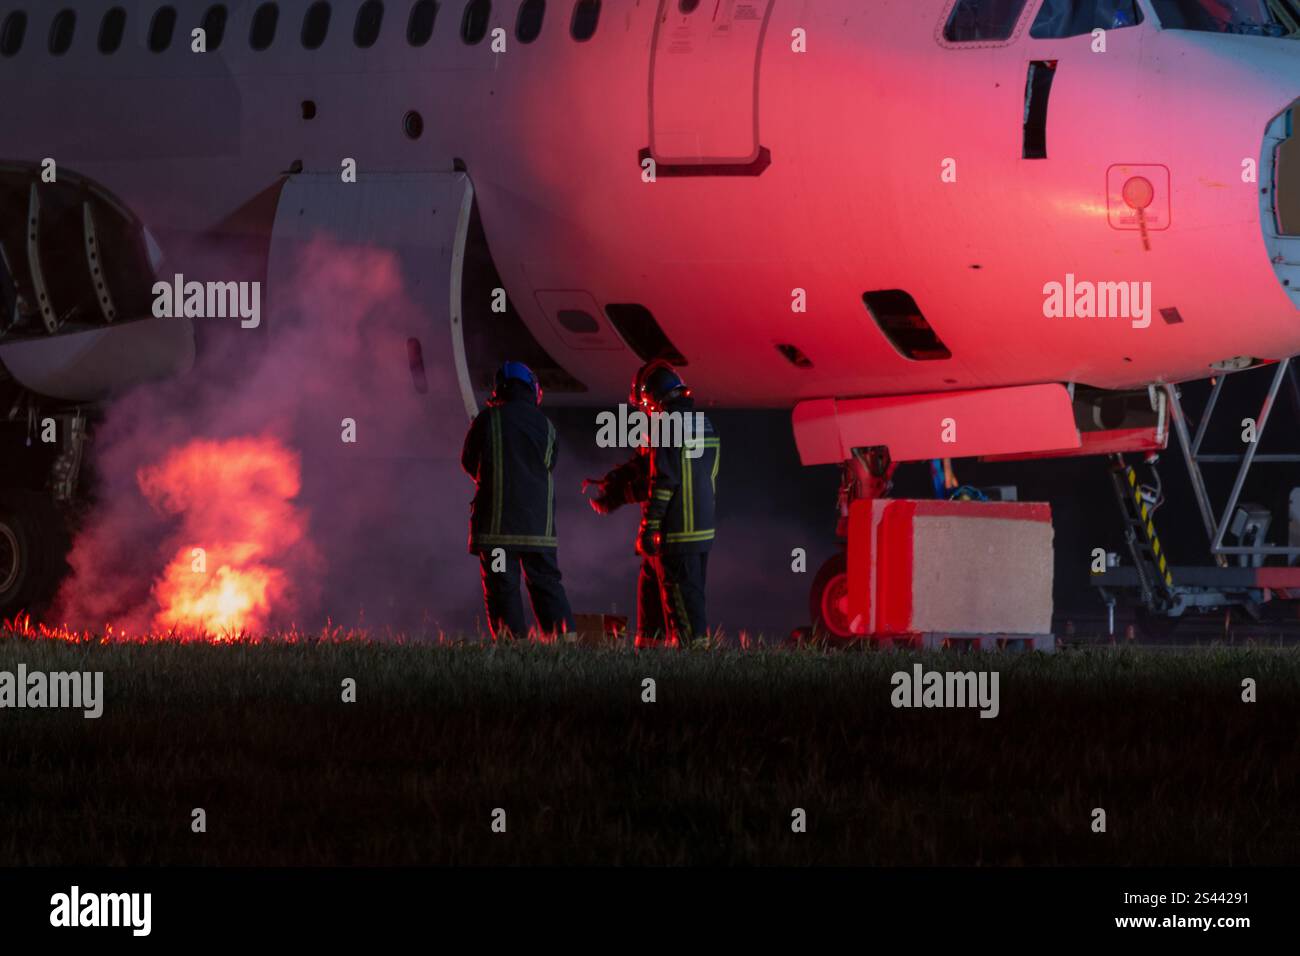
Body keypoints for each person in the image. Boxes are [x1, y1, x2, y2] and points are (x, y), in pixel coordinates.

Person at [585, 361, 719, 648]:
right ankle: (650, 651)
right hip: (700, 531)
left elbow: (664, 482)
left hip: (675, 533)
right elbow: (675, 468)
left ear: (651, 396)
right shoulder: (701, 423)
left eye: (644, 405)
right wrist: (619, 479)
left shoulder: (667, 426)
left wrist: (649, 527)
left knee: (683, 610)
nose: (645, 412)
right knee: (657, 592)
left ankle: (693, 667)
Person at [461, 361, 575, 641]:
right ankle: (565, 644)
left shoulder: (487, 419)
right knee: (546, 583)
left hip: (498, 528)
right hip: (539, 529)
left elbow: (468, 462)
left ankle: (514, 647)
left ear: (499, 389)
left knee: (503, 586)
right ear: (533, 389)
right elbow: (550, 463)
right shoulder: (546, 425)